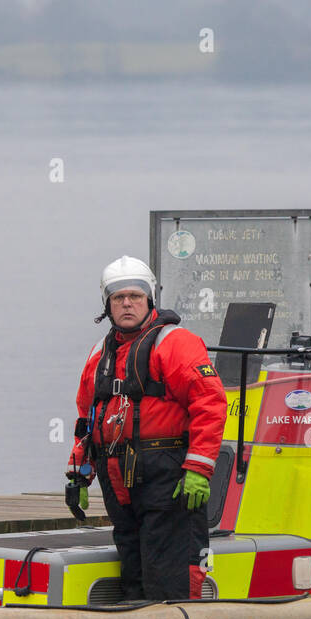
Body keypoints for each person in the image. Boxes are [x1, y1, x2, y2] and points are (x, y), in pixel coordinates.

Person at [65, 256, 227, 601]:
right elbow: (87, 417)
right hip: (118, 480)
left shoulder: (175, 343)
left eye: (135, 296)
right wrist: (79, 473)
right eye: (118, 297)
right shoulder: (100, 352)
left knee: (170, 579)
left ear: (150, 299)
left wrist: (198, 468)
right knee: (134, 578)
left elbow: (210, 403)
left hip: (165, 477)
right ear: (107, 304)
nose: (126, 303)